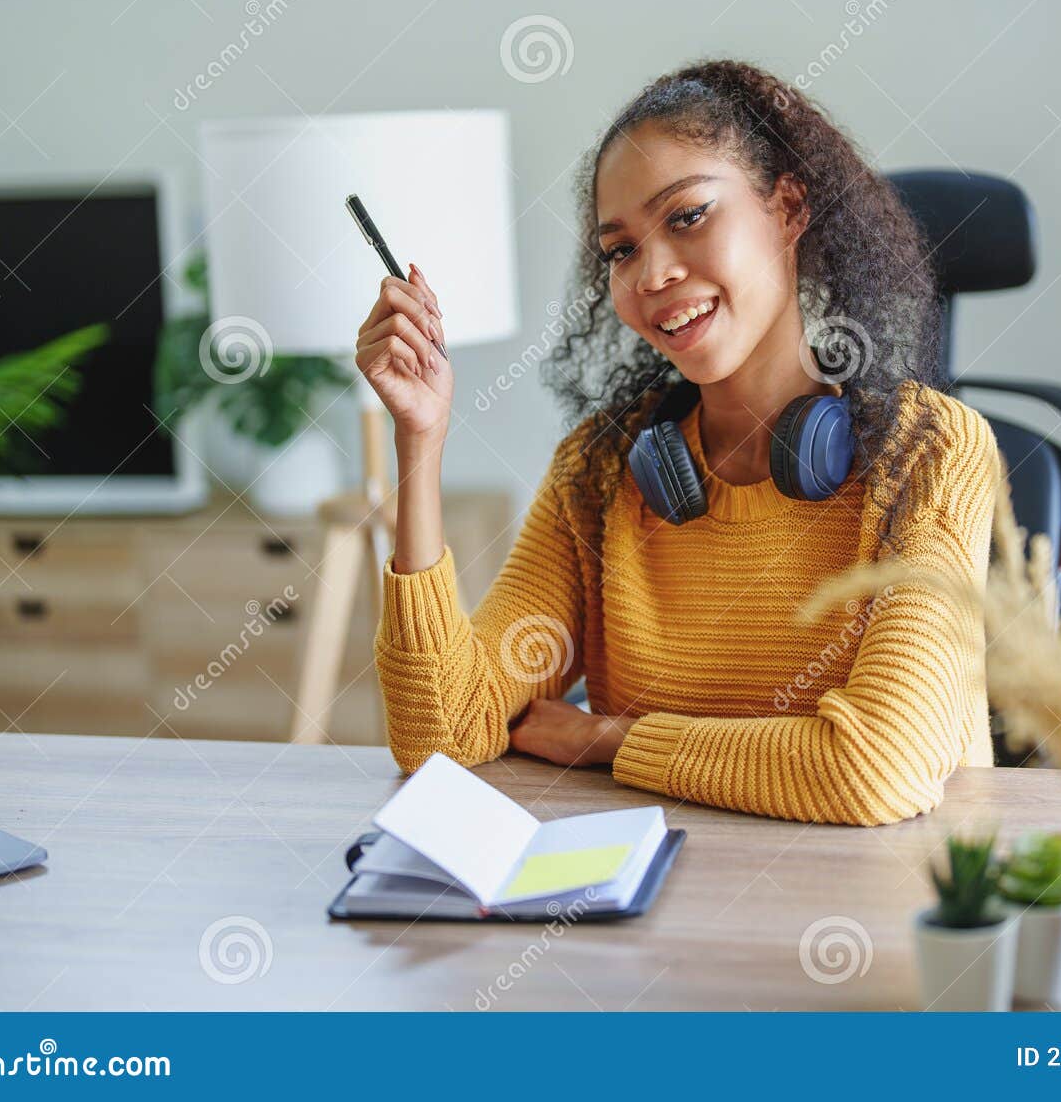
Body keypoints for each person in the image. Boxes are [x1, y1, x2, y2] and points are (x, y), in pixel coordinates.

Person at [355, 59, 999, 826]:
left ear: (788, 208)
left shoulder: (927, 452)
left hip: (876, 913)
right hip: (653, 913)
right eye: (620, 249)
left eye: (687, 215)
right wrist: (420, 439)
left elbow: (873, 770)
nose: (652, 272)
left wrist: (612, 739)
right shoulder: (599, 473)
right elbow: (443, 732)